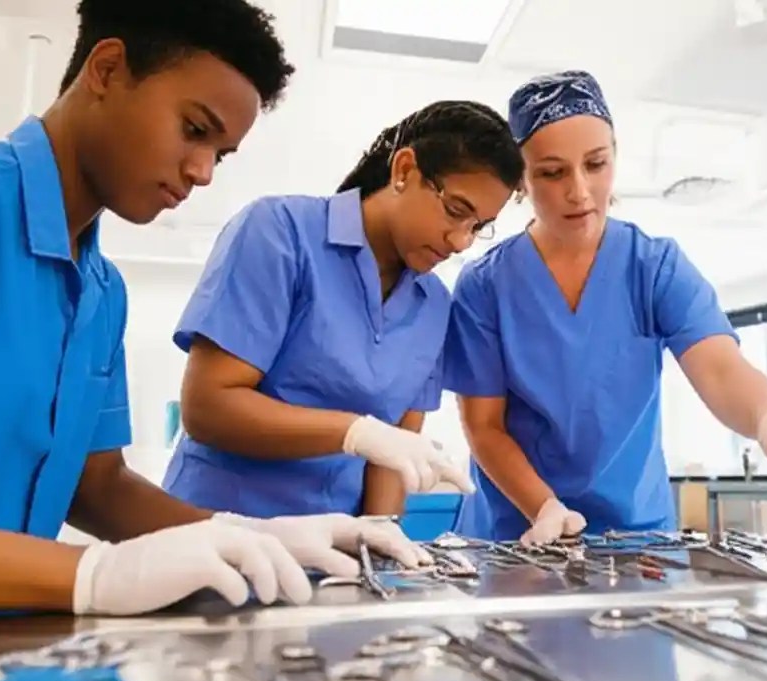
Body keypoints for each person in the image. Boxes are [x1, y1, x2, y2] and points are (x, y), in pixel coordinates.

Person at [0, 0, 426, 645]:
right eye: (194, 129)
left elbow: (96, 487)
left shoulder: (100, 293)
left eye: (220, 154)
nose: (201, 172)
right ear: (106, 69)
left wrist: (244, 535)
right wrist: (88, 576)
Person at [443, 70, 767, 545]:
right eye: (552, 173)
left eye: (596, 164)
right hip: (516, 533)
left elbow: (720, 369)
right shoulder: (485, 285)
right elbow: (484, 427)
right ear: (520, 180)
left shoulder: (654, 268)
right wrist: (544, 508)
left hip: (632, 535)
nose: (580, 191)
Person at [163, 101, 523, 519]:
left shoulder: (434, 305)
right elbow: (208, 408)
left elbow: (395, 453)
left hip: (335, 547)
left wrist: (380, 533)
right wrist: (355, 433)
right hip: (218, 532)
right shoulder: (280, 232)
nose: (461, 241)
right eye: (456, 211)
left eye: (478, 227)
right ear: (404, 169)